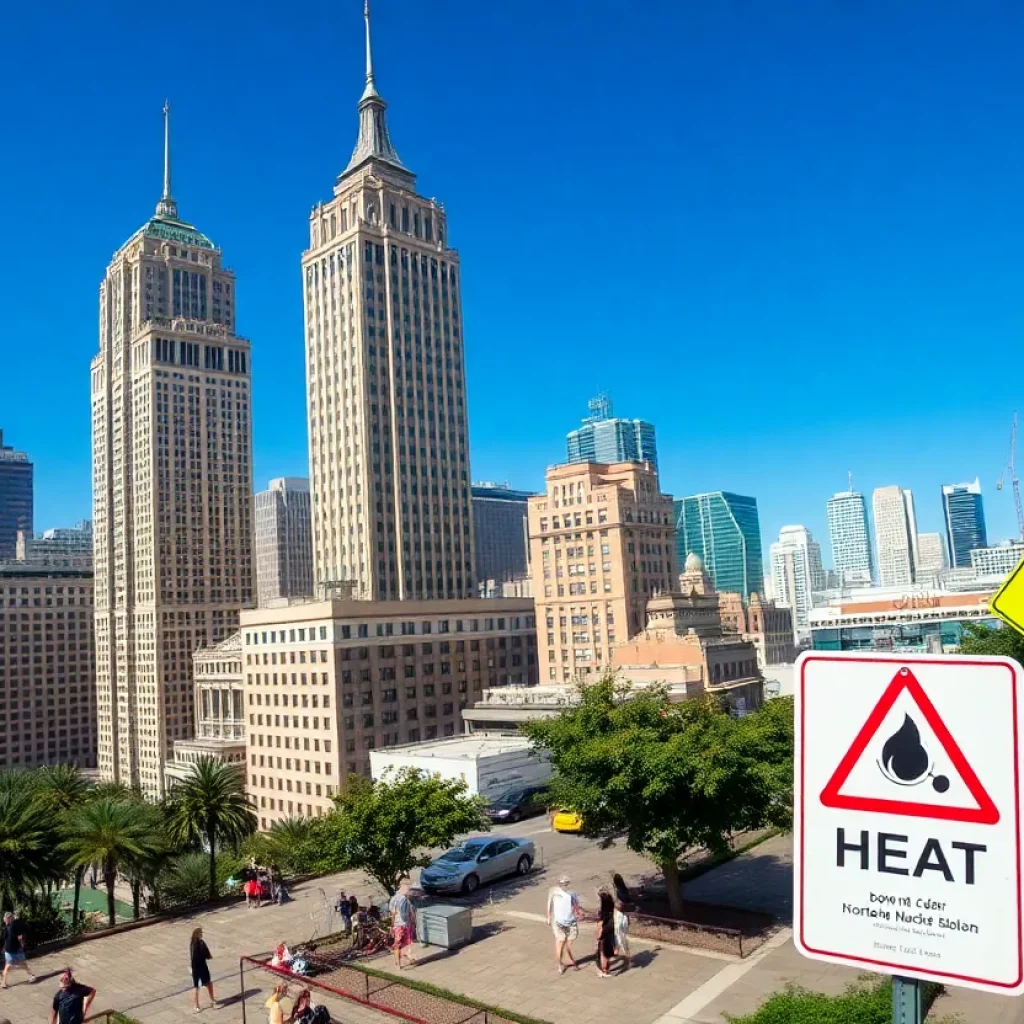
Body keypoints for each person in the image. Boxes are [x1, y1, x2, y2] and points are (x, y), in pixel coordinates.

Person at [546, 875, 582, 974]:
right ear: (568, 883)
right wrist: (579, 914)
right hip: (570, 921)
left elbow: (549, 904)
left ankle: (560, 966)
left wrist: (548, 917)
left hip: (557, 921)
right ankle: (572, 962)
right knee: (568, 944)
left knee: (559, 943)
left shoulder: (553, 890)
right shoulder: (572, 893)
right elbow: (576, 907)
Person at [1, 910, 36, 987]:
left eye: (7, 918)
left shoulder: (11, 925)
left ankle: (30, 976)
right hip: (12, 949)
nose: (5, 920)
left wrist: (21, 945)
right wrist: (21, 945)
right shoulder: (10, 926)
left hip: (12, 949)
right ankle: (4, 983)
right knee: (14, 965)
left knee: (14, 965)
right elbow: (14, 938)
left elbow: (17, 937)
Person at [388, 879, 415, 969]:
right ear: (402, 886)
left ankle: (407, 957)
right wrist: (392, 927)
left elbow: (410, 912)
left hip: (407, 924)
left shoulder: (407, 898)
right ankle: (397, 963)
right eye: (408, 886)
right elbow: (393, 914)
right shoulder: (395, 899)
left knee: (407, 943)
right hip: (398, 925)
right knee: (398, 944)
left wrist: (413, 922)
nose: (409, 889)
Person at [189, 926, 215, 1012]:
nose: (201, 934)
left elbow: (193, 957)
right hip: (201, 967)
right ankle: (212, 1000)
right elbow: (206, 954)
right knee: (207, 984)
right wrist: (209, 956)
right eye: (200, 933)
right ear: (197, 934)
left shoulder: (192, 943)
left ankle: (197, 1005)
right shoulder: (200, 943)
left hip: (196, 968)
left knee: (198, 986)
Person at [595, 890, 615, 977]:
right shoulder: (612, 917)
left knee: (603, 954)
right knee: (605, 954)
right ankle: (604, 971)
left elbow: (598, 934)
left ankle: (604, 970)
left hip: (604, 938)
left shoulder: (602, 918)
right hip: (609, 938)